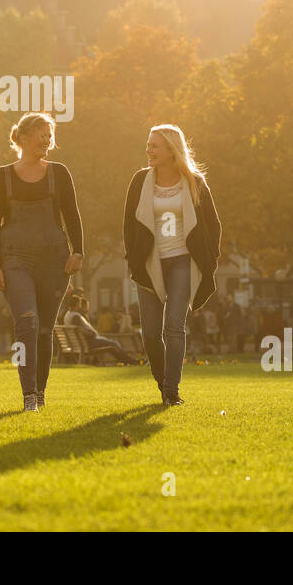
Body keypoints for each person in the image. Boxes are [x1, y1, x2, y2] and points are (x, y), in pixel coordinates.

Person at [0, 112, 84, 412]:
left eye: (49, 134)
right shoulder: (2, 176)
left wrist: (78, 250)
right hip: (15, 259)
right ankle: (28, 395)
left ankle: (40, 391)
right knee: (26, 323)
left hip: (54, 260)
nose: (47, 139)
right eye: (41, 133)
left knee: (44, 329)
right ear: (23, 137)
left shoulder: (59, 173)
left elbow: (72, 214)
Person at [123, 123, 223, 407]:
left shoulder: (194, 182)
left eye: (154, 145)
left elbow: (213, 225)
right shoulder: (140, 180)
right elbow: (129, 224)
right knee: (151, 334)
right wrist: (132, 257)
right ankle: (162, 380)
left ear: (171, 150)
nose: (148, 150)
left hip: (183, 261)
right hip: (149, 263)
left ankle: (172, 390)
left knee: (174, 327)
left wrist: (209, 258)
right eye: (148, 145)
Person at [64, 295, 132, 363]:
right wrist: (92, 333)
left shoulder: (68, 315)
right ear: (76, 304)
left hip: (83, 342)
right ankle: (130, 361)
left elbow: (78, 330)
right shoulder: (75, 317)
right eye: (79, 304)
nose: (80, 306)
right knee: (114, 344)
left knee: (112, 346)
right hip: (88, 343)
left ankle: (127, 361)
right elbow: (80, 330)